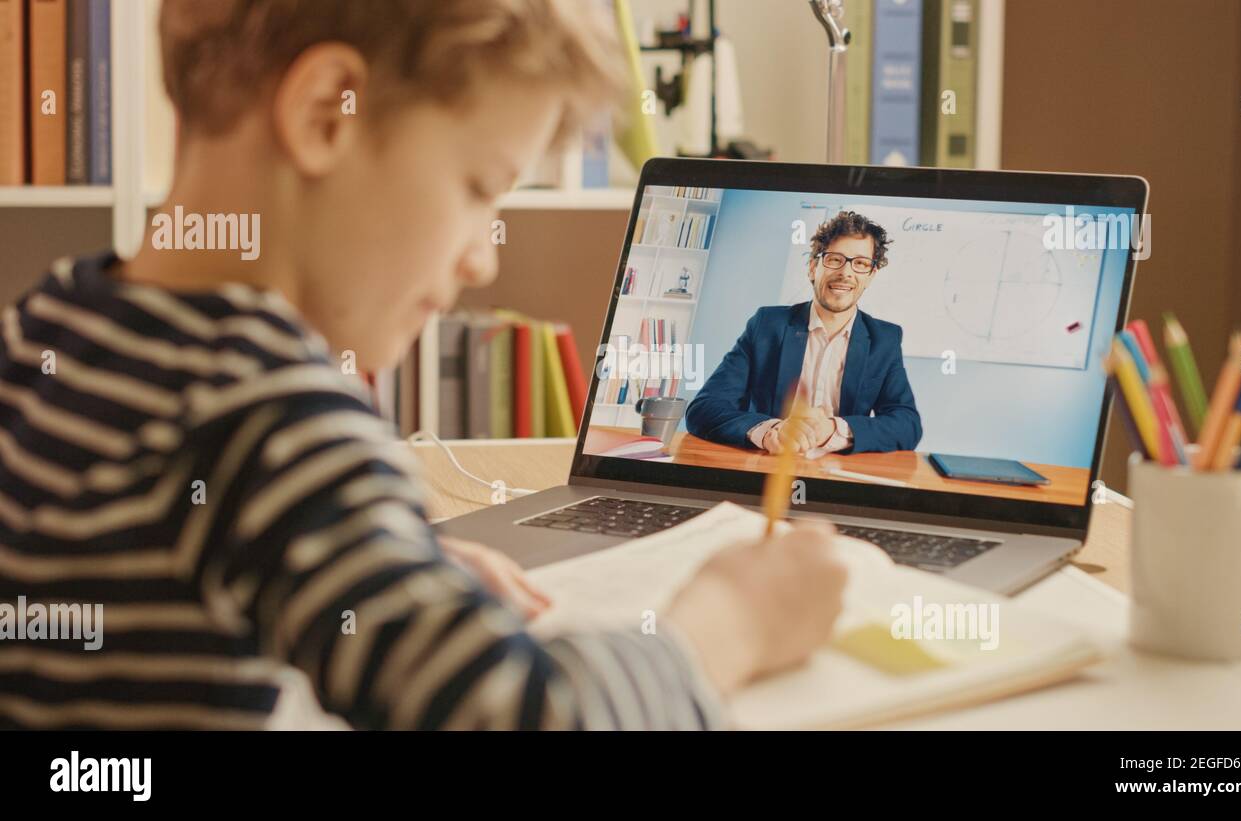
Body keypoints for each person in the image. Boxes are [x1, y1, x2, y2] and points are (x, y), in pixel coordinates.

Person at [0, 0, 847, 730]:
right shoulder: (265, 410)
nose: (483, 258)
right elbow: (526, 716)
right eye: (480, 187)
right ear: (327, 116)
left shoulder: (50, 321)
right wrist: (730, 622)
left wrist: (378, 569)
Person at [685, 211, 922, 457]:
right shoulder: (767, 325)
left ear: (870, 275)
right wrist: (770, 431)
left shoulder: (884, 339)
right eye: (834, 259)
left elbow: (907, 425)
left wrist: (833, 429)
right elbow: (704, 408)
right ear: (812, 267)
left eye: (860, 263)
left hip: (838, 475)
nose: (846, 273)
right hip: (769, 464)